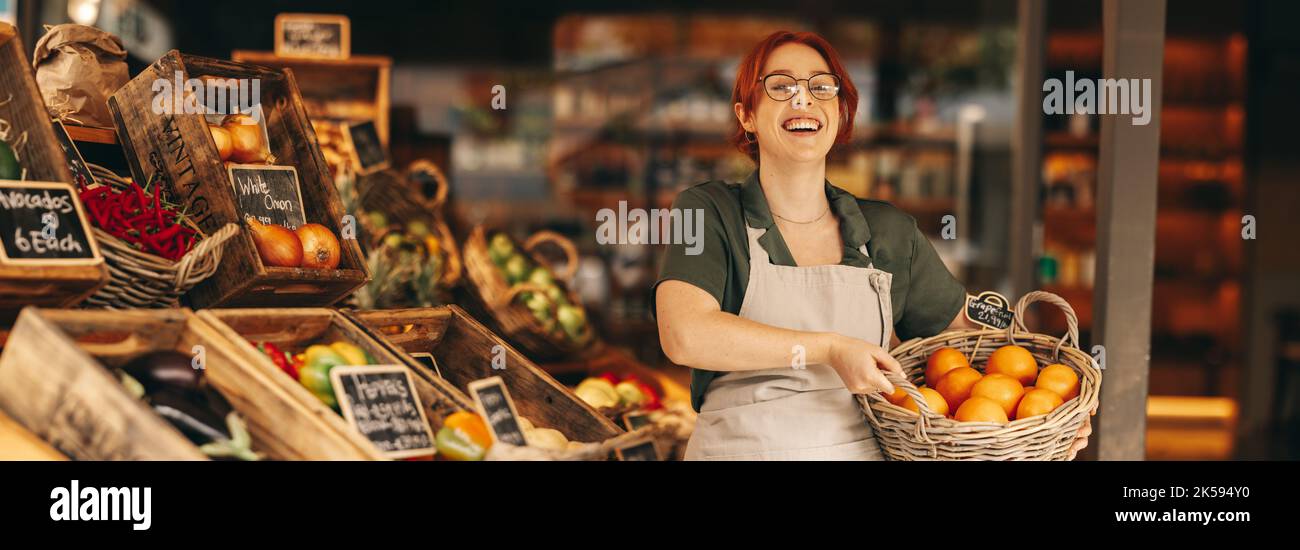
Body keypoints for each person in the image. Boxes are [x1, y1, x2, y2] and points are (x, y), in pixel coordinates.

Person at [654, 31, 1092, 460]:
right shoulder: (709, 211)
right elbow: (685, 334)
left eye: (821, 87)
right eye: (781, 85)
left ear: (841, 113)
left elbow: (972, 326)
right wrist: (828, 348)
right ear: (747, 115)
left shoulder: (886, 230)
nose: (803, 98)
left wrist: (1052, 408)